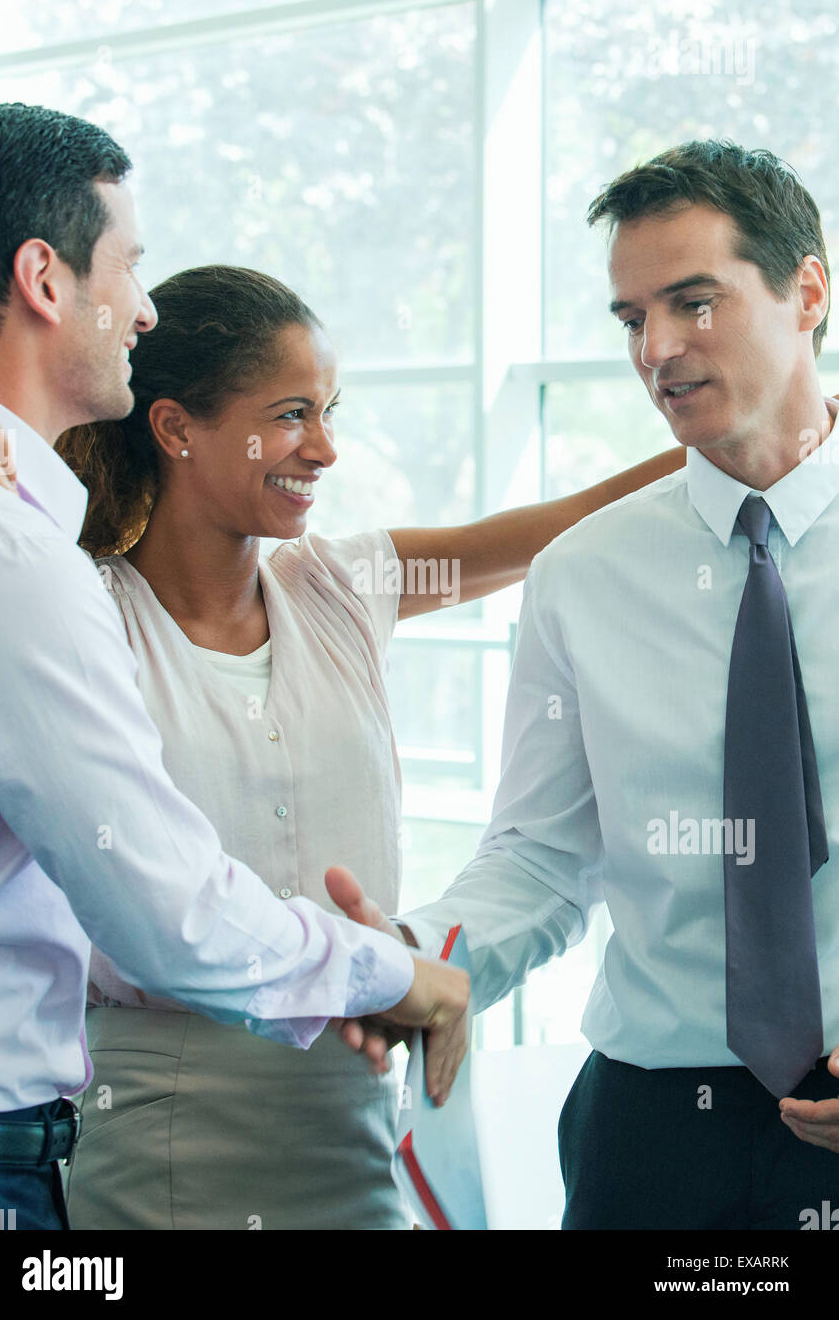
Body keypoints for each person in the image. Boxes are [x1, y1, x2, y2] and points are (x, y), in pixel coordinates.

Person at [5, 250, 677, 1231]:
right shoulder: (84, 618)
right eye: (290, 414)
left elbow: (570, 523)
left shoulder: (348, 587)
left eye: (330, 412)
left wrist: (776, 432)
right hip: (166, 1140)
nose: (324, 448)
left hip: (363, 1115)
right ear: (176, 427)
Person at [0, 101, 469, 1233]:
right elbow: (172, 912)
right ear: (45, 281)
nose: (144, 307)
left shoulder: (13, 534)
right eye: (129, 267)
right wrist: (398, 972)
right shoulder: (15, 562)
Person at [332, 139, 839, 1230]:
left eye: (693, 303)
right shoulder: (582, 577)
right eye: (630, 319)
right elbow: (544, 859)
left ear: (809, 288)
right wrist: (421, 954)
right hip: (651, 1141)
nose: (658, 348)